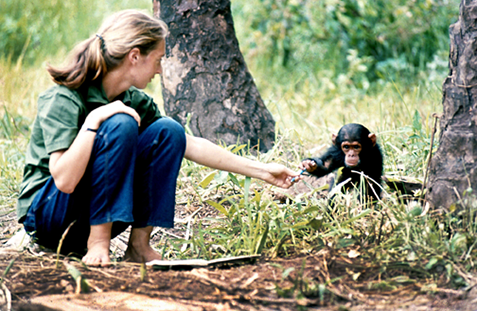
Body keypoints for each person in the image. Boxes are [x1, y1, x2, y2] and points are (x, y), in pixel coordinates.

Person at [16, 9, 299, 266]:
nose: (161, 70)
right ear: (135, 56)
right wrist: (95, 119)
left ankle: (138, 246)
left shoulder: (133, 100)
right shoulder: (65, 98)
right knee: (121, 122)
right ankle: (98, 242)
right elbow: (64, 181)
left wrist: (264, 171)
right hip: (50, 218)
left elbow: (190, 144)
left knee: (168, 131)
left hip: (87, 215)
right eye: (159, 59)